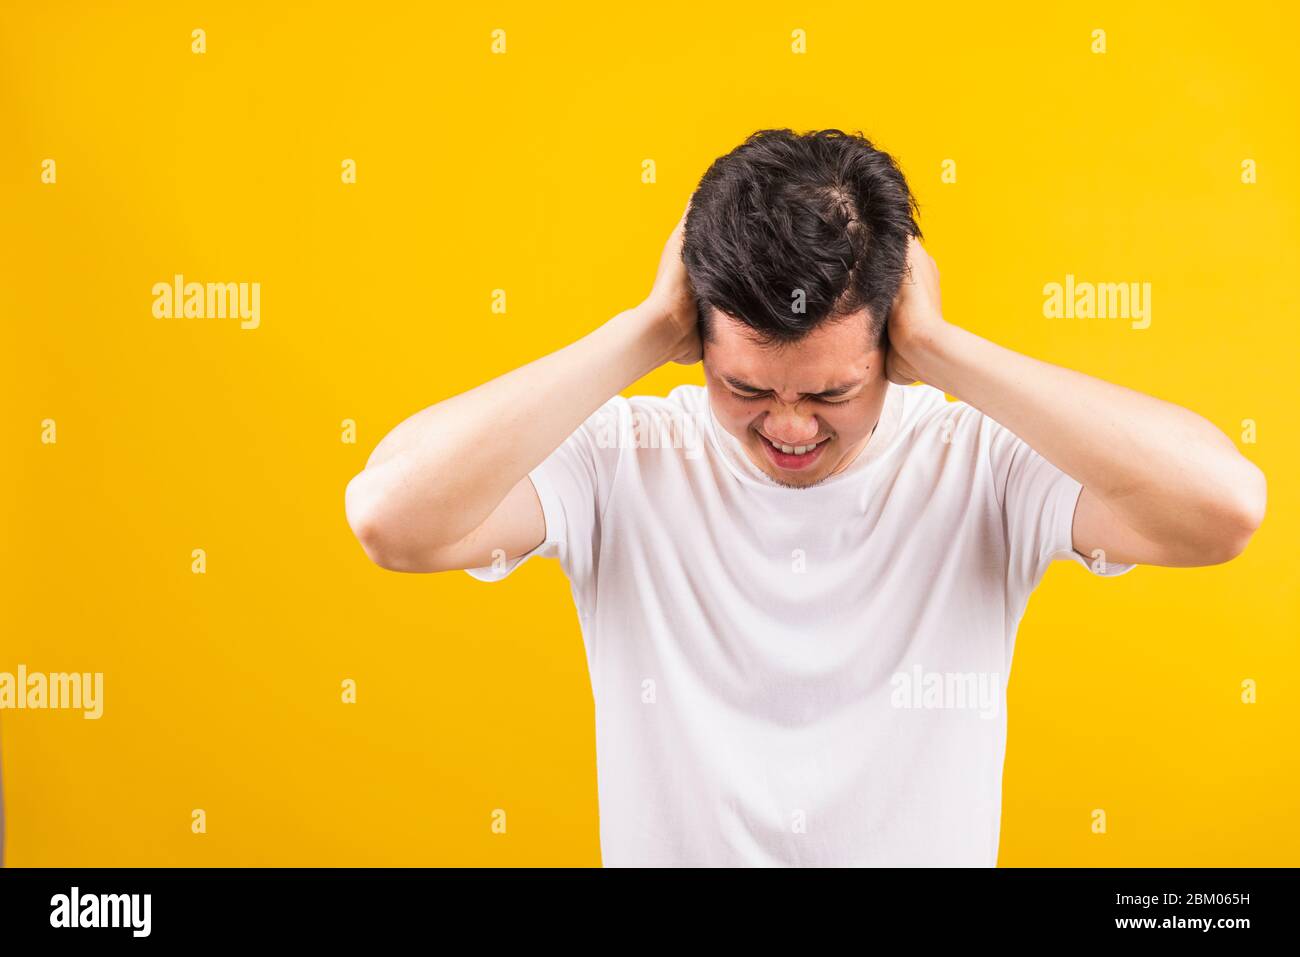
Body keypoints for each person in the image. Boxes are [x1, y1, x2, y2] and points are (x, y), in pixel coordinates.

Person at [344, 129, 1266, 866]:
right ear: (697, 338)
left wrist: (946, 352)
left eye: (830, 393)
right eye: (746, 388)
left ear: (893, 343)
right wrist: (643, 329)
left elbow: (1223, 508)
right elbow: (391, 516)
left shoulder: (978, 463)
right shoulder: (624, 458)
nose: (789, 427)